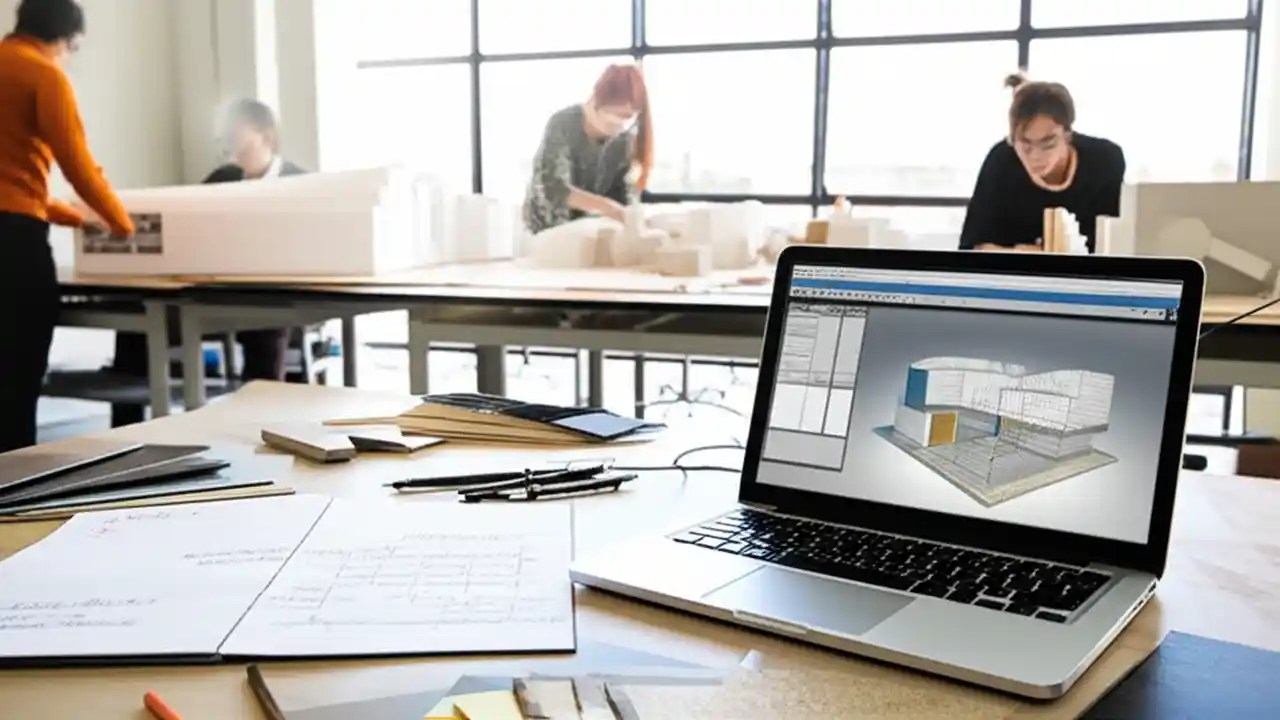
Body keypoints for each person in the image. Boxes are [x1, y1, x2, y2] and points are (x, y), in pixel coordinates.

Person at [110, 100, 306, 425]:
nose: (230, 148)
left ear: (266, 137)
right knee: (137, 321)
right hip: (212, 291)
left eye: (237, 138)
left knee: (267, 325)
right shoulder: (221, 177)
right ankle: (122, 432)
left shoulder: (299, 182)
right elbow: (189, 224)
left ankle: (262, 425)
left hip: (271, 293)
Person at [0, 0, 134, 451]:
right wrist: (121, 223)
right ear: (66, 38)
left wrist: (69, 215)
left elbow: (12, 176)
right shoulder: (44, 74)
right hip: (13, 247)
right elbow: (77, 164)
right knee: (17, 375)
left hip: (16, 217)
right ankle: (14, 495)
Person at [959, 73, 1125, 253]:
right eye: (1025, 144)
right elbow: (972, 247)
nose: (1036, 156)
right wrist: (1023, 255)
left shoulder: (1104, 161)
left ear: (1068, 135)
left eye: (1048, 144)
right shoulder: (1002, 161)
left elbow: (1112, 245)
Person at [523, 63, 654, 234]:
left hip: (593, 231)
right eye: (610, 120)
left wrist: (630, 218)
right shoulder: (563, 124)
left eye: (625, 120)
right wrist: (605, 207)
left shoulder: (624, 139)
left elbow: (624, 194)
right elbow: (554, 187)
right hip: (547, 229)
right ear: (593, 103)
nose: (615, 129)